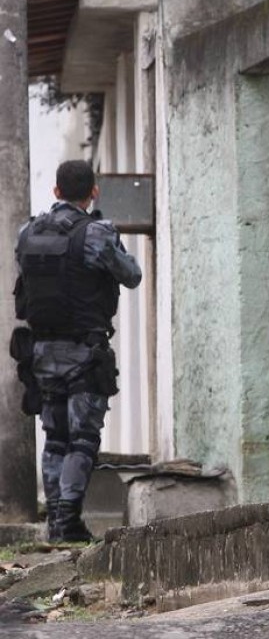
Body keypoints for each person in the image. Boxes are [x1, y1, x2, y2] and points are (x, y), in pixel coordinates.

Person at [12, 160, 142, 542]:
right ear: (94, 192)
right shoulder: (96, 234)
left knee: (54, 438)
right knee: (82, 439)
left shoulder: (28, 233)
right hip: (84, 354)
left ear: (55, 192)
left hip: (41, 354)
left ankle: (56, 518)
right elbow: (131, 275)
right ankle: (67, 519)